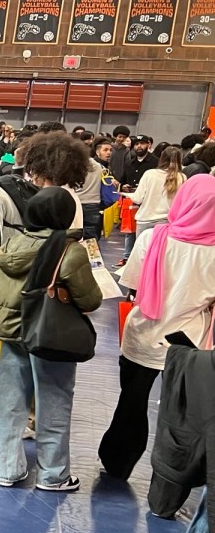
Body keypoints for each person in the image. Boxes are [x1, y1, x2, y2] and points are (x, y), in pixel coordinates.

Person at [98, 176, 215, 479]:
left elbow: (133, 285)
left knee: (131, 403)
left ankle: (117, 463)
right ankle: (173, 478)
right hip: (191, 343)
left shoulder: (153, 237)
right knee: (181, 416)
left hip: (144, 335)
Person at [0, 187, 103, 492]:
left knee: (9, 403)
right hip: (49, 335)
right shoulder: (69, 250)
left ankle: (5, 469)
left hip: (11, 332)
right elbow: (90, 299)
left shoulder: (13, 242)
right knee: (54, 403)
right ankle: (53, 474)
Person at [130, 146, 185, 241]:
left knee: (142, 249)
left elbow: (137, 199)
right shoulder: (182, 177)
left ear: (161, 158)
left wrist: (130, 194)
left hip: (145, 220)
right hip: (167, 222)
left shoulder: (149, 174)